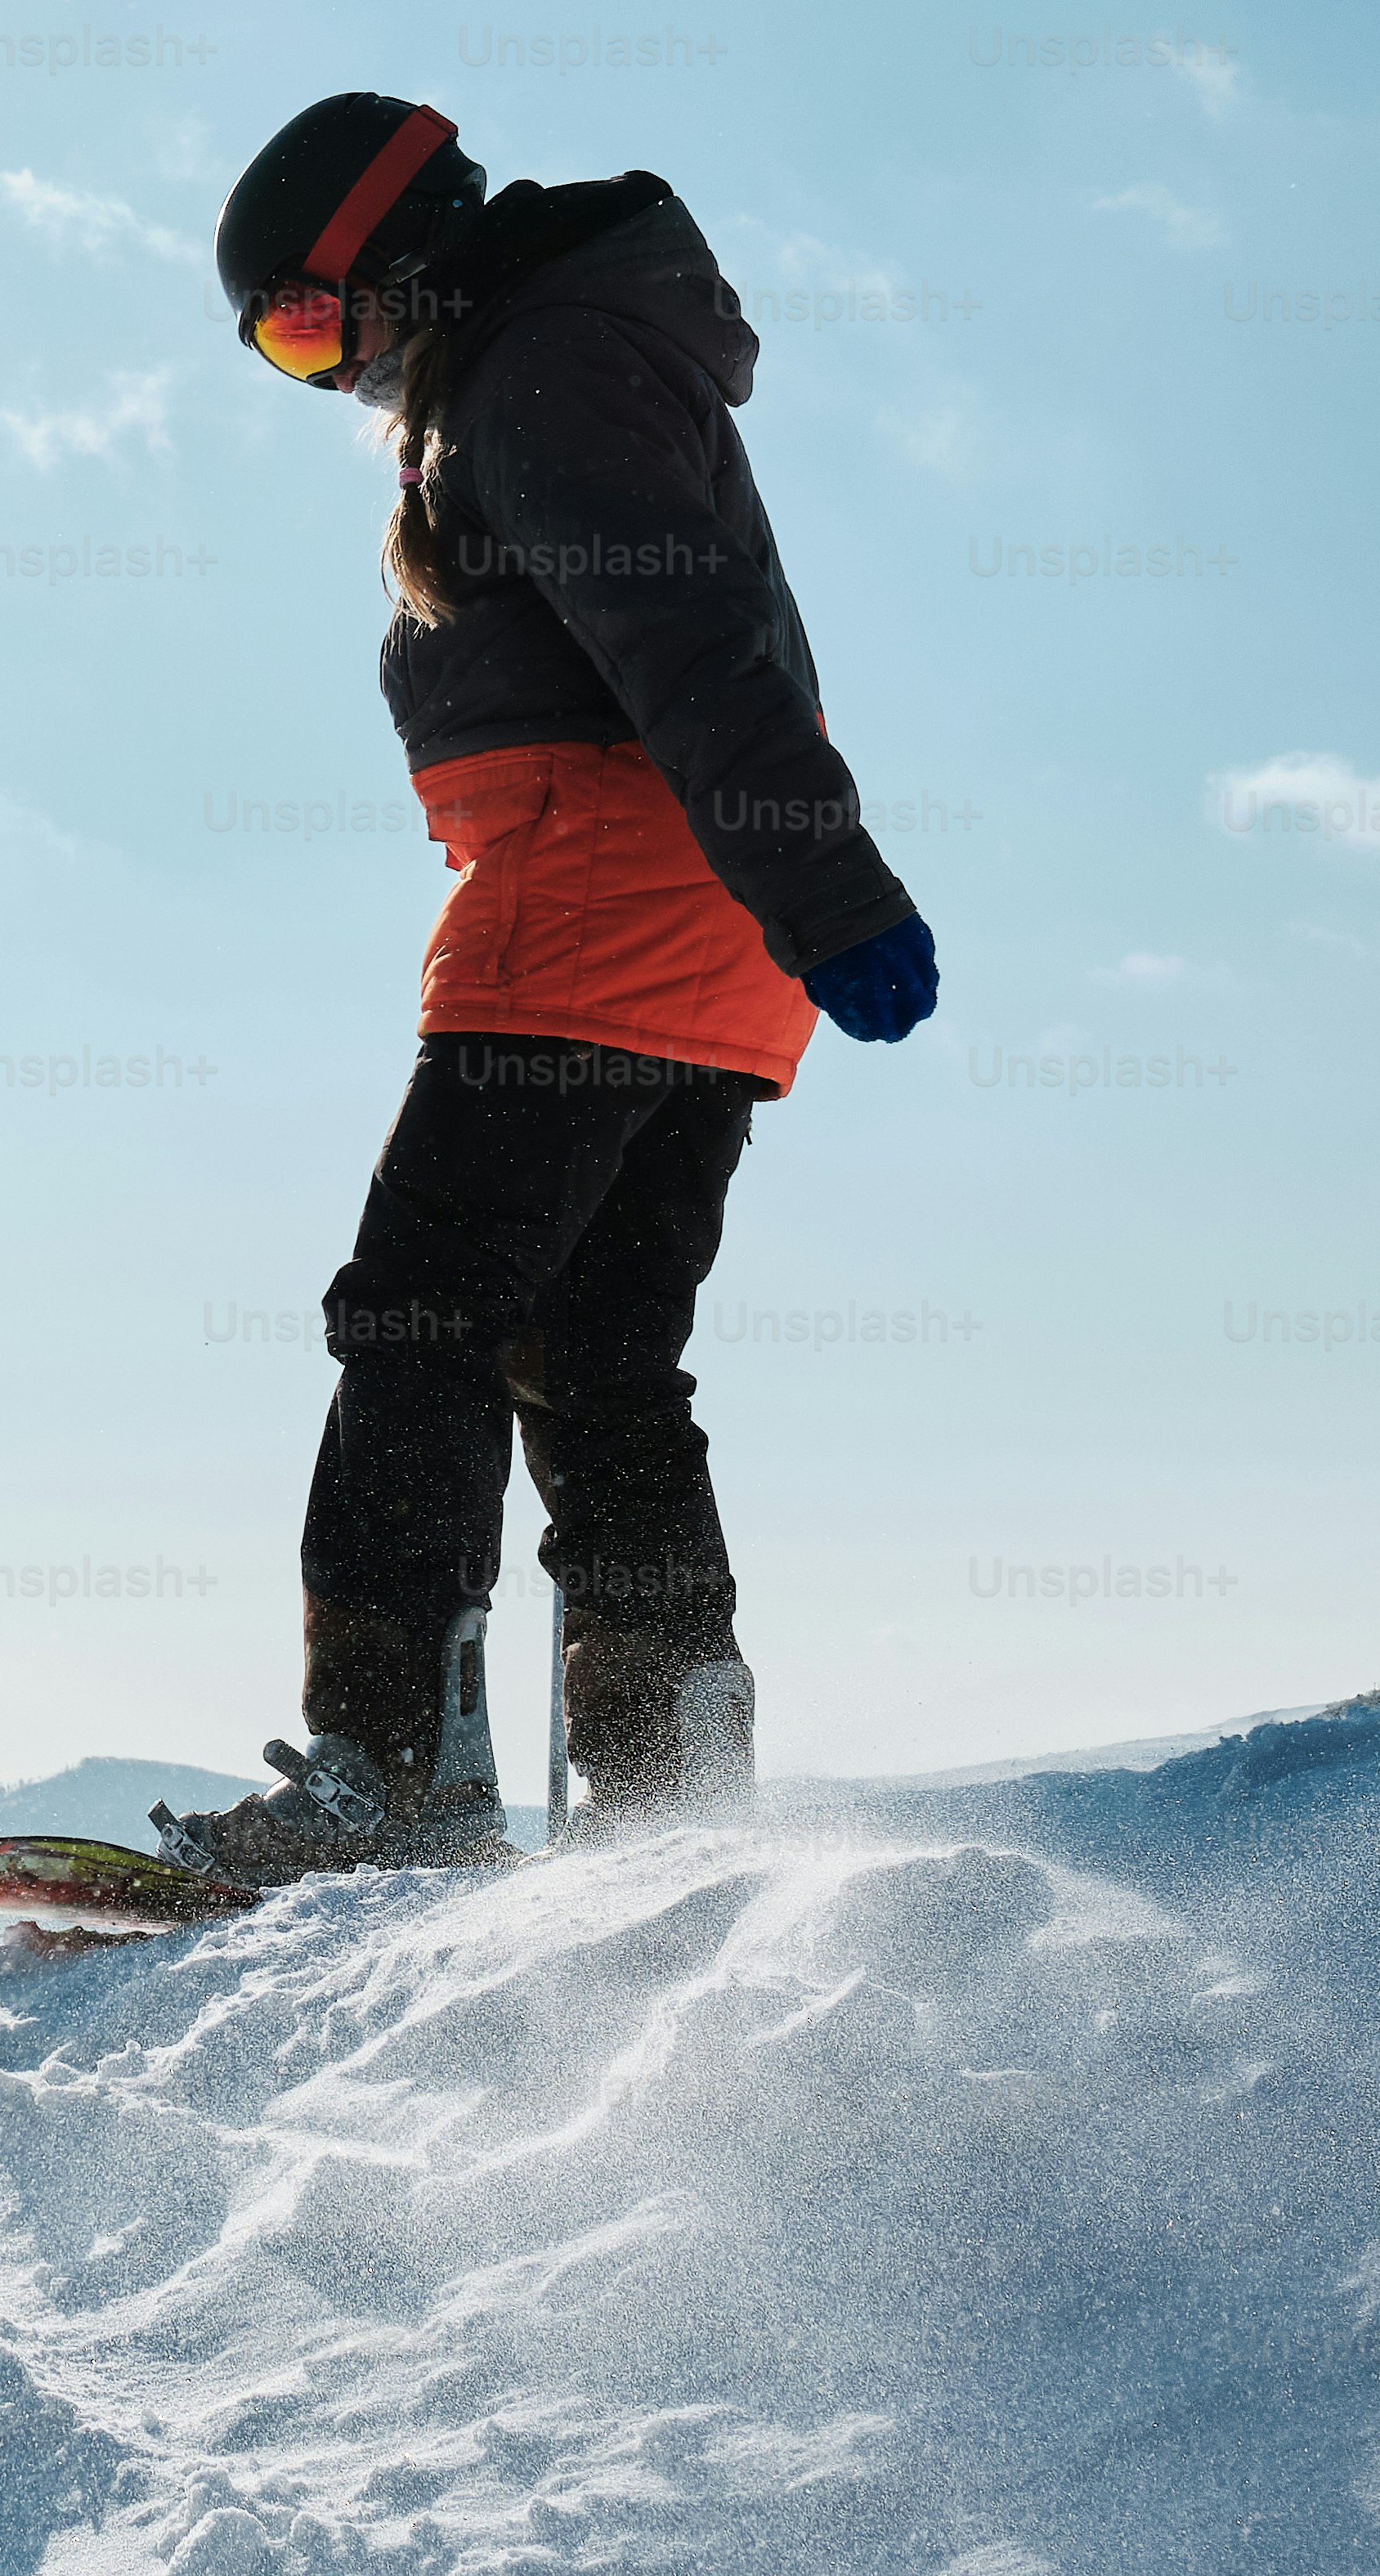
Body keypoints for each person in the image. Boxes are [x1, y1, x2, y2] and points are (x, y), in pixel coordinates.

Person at [167, 96, 939, 1888]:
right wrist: (807, 900)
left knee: (418, 1315)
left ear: (395, 257)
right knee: (594, 1355)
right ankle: (674, 1785)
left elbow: (683, 640)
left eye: (306, 323)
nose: (321, 375)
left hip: (608, 880)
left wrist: (831, 883)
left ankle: (390, 1778)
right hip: (712, 930)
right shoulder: (562, 356)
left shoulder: (538, 372)